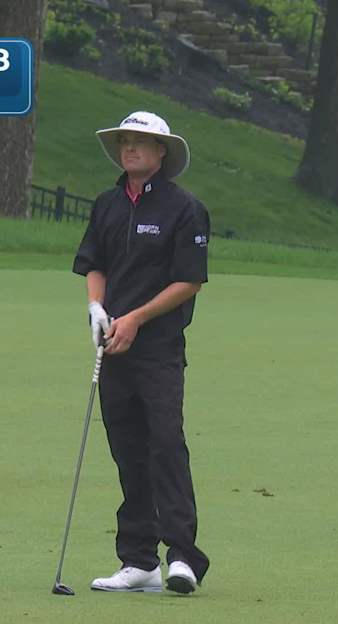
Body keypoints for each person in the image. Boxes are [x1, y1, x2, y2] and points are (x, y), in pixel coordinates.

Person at [72, 111, 211, 595]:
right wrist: (96, 307)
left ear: (161, 153)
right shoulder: (107, 204)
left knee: (165, 445)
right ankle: (139, 559)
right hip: (113, 348)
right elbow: (94, 263)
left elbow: (189, 280)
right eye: (125, 141)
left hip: (159, 349)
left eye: (141, 142)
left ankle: (183, 558)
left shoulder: (184, 209)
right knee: (127, 450)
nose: (130, 148)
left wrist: (136, 318)